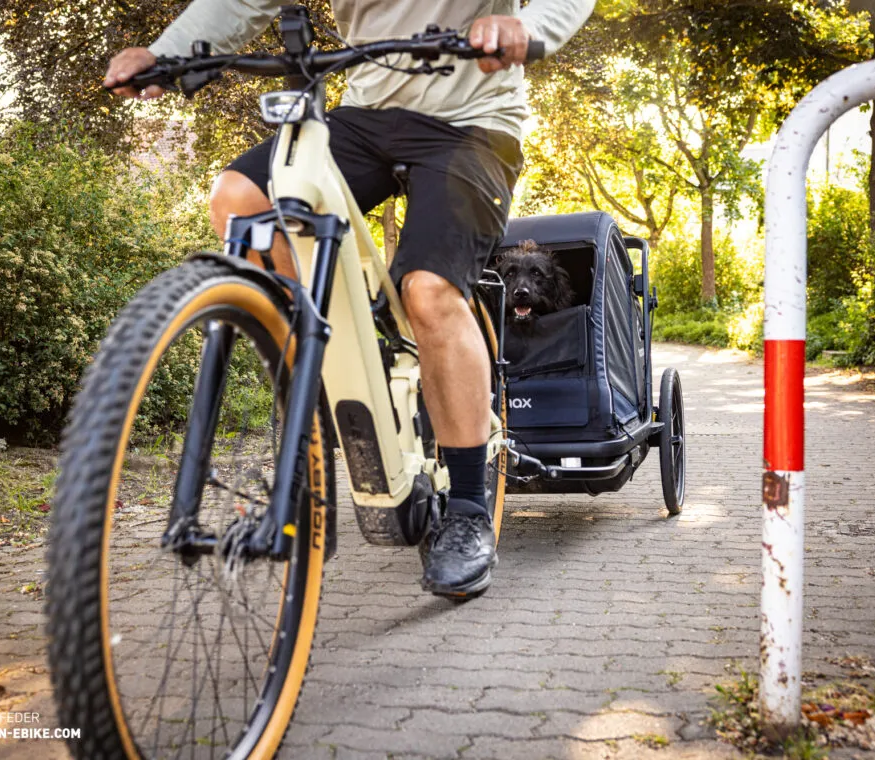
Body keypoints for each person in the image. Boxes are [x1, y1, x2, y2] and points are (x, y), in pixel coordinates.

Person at [104, 0, 593, 597]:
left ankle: (467, 508)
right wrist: (167, 53)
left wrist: (528, 28)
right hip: (366, 115)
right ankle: (331, 377)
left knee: (428, 290)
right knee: (239, 199)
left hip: (473, 120)